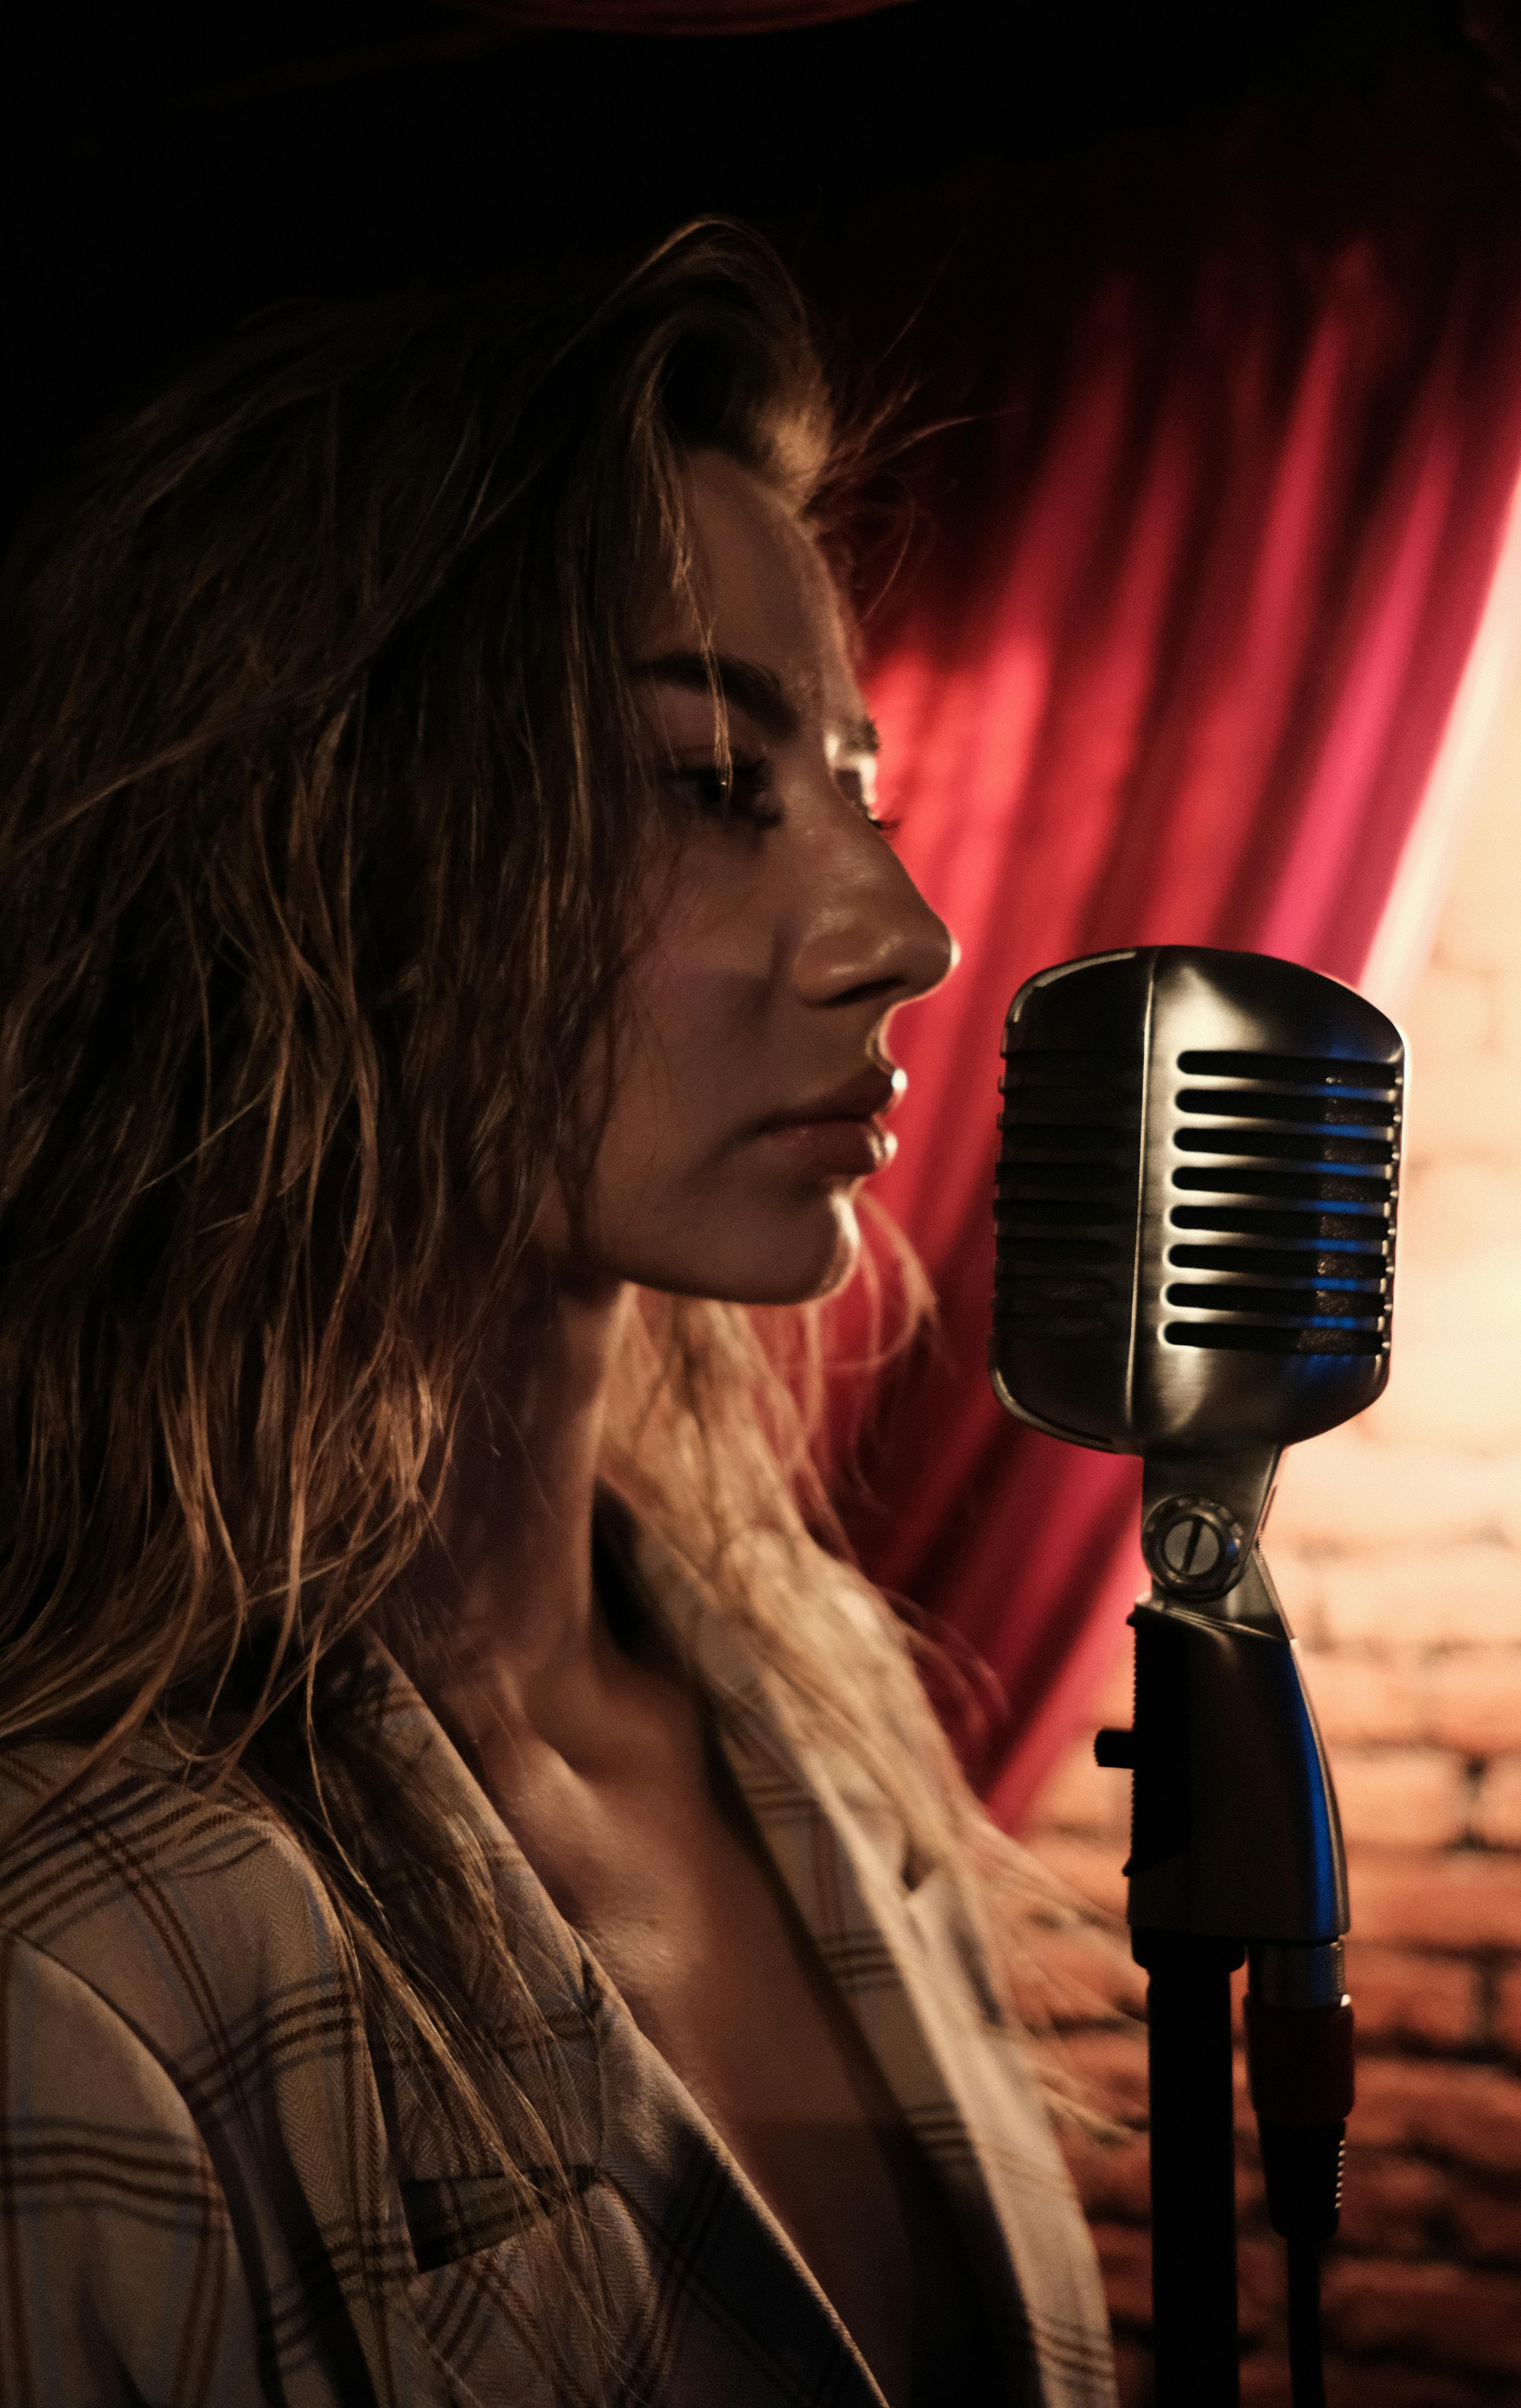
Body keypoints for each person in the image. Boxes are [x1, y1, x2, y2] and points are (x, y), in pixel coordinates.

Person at [0, 222, 1115, 2407]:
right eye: (712, 784)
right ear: (321, 852)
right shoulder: (91, 1968)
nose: (901, 929)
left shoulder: (827, 1710)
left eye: (856, 787)